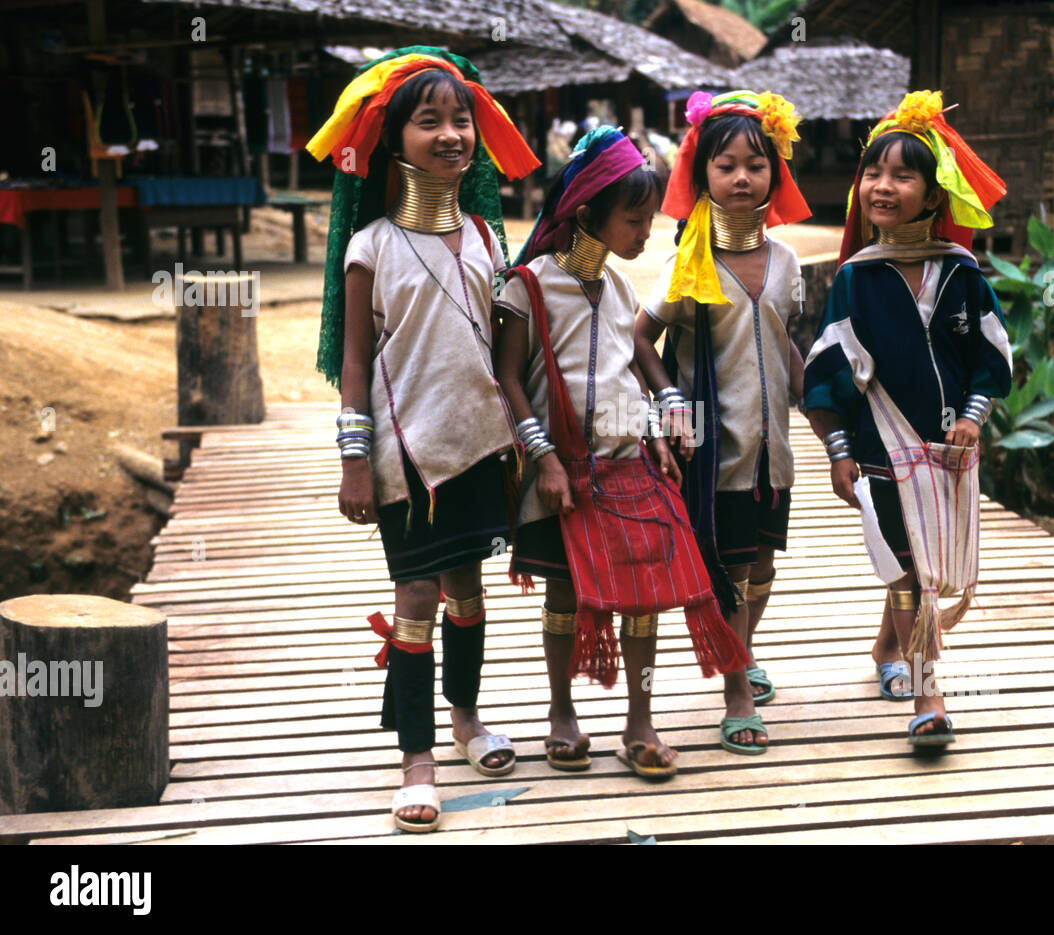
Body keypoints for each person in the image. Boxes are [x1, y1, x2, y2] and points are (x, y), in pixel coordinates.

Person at [306, 47, 540, 831]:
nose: (450, 134)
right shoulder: (368, 246)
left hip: (477, 446)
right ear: (392, 140)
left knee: (467, 593)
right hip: (404, 458)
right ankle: (418, 760)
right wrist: (353, 459)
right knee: (414, 601)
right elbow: (354, 361)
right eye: (428, 120)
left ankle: (468, 719)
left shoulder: (483, 238)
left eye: (460, 118)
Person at [495, 126, 747, 780]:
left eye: (649, 217)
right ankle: (560, 712)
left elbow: (643, 365)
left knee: (644, 594)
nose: (646, 231)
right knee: (561, 591)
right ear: (585, 214)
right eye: (634, 219)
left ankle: (640, 720)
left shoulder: (620, 290)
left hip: (630, 463)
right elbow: (505, 379)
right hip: (558, 468)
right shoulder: (528, 286)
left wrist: (670, 415)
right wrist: (541, 456)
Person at [802, 90, 1011, 748]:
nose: (881, 186)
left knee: (918, 562)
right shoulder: (856, 281)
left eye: (902, 174)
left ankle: (884, 649)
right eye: (872, 172)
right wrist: (837, 448)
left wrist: (974, 416)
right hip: (879, 448)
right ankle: (929, 694)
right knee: (910, 569)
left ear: (934, 193)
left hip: (949, 450)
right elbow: (825, 371)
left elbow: (992, 355)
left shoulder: (963, 276)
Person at [634, 90, 811, 755]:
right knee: (727, 571)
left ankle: (744, 648)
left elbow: (782, 338)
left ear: (775, 174)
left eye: (756, 165)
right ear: (701, 176)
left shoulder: (787, 262)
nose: (742, 178)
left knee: (763, 564)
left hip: (775, 449)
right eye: (726, 165)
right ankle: (737, 691)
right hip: (717, 448)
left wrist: (822, 406)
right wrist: (667, 401)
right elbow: (637, 338)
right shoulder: (691, 262)